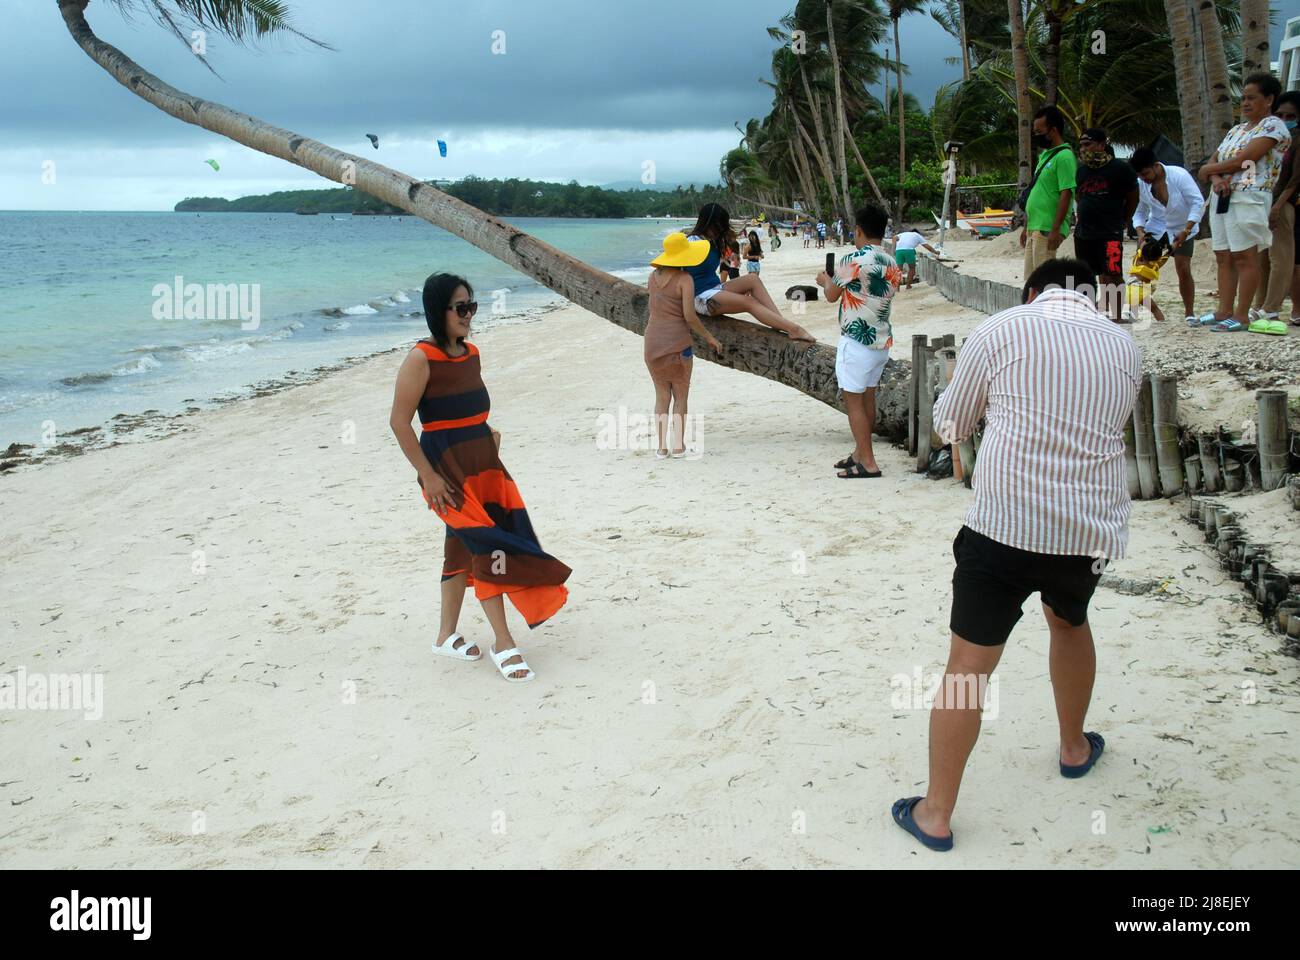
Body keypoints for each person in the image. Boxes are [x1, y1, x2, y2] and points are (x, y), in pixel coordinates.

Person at [892, 257, 1141, 852]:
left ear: (1033, 292)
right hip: (1086, 535)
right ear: (1090, 295)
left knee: (967, 668)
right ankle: (1074, 747)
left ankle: (936, 813)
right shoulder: (1124, 348)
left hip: (1002, 528)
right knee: (1070, 622)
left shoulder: (1000, 329)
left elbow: (950, 425)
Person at [389, 273, 571, 683]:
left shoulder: (471, 353)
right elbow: (400, 423)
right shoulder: (420, 358)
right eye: (460, 308)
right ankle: (503, 641)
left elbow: (468, 410)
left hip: (485, 469)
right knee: (489, 548)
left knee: (464, 547)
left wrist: (487, 431)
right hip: (445, 475)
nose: (469, 314)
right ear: (439, 311)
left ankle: (444, 636)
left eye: (472, 306)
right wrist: (428, 477)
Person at [1197, 73, 1292, 333]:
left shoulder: (1273, 126)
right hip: (1223, 195)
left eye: (1252, 98)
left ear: (1269, 99)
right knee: (1223, 255)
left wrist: (1210, 170)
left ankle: (1242, 314)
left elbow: (1244, 160)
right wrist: (1215, 177)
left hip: (1251, 194)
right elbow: (1214, 161)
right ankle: (1224, 309)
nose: (1246, 103)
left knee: (1245, 255)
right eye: (1244, 98)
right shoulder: (1236, 130)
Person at [816, 204, 901, 479]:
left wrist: (824, 280)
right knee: (868, 398)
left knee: (853, 402)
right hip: (881, 341)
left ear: (859, 230)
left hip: (856, 340)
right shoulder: (891, 261)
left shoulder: (853, 259)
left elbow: (831, 296)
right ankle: (859, 451)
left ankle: (868, 461)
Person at [685, 203, 814, 342]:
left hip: (714, 289)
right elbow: (677, 273)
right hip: (699, 298)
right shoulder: (691, 242)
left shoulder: (712, 241)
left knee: (753, 279)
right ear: (708, 223)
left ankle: (780, 323)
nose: (719, 230)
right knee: (749, 302)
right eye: (718, 226)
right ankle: (793, 329)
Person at [645, 233, 723, 459]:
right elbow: (689, 316)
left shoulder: (652, 277)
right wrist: (709, 337)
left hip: (651, 342)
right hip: (677, 342)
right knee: (680, 395)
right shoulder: (684, 279)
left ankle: (661, 448)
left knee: (661, 396)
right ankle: (678, 446)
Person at [1129, 146, 1206, 326]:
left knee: (1183, 269)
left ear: (1156, 166)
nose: (1144, 179)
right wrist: (1140, 232)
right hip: (1155, 227)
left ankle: (1189, 313)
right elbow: (1139, 212)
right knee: (1139, 274)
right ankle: (1157, 315)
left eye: (1146, 174)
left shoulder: (1179, 175)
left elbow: (1197, 203)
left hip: (1182, 227)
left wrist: (1186, 230)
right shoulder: (1142, 184)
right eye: (1140, 176)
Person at [1073, 127, 1139, 321]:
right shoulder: (1082, 170)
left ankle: (1117, 315)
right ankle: (1091, 314)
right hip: (1084, 233)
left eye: (1088, 144)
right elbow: (1079, 195)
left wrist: (1126, 219)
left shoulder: (1120, 169)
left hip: (1110, 232)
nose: (1083, 149)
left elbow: (1133, 195)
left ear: (1101, 145)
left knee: (1113, 273)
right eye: (1081, 145)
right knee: (1085, 275)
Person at [1253, 91, 1300, 326]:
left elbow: (1294, 180)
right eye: (1280, 114)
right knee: (1262, 258)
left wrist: (1278, 205)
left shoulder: (1297, 140)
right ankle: (1258, 305)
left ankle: (1272, 308)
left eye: (1290, 115)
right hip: (1263, 201)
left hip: (1283, 204)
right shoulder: (1267, 139)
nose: (1285, 118)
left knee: (1280, 258)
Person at [1020, 105, 1077, 282]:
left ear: (1053, 130)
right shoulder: (1045, 156)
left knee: (1044, 280)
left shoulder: (1065, 157)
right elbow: (1037, 192)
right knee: (1031, 281)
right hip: (1035, 227)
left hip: (1047, 228)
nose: (1036, 136)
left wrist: (1055, 229)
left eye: (1039, 131)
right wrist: (1026, 227)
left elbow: (1066, 193)